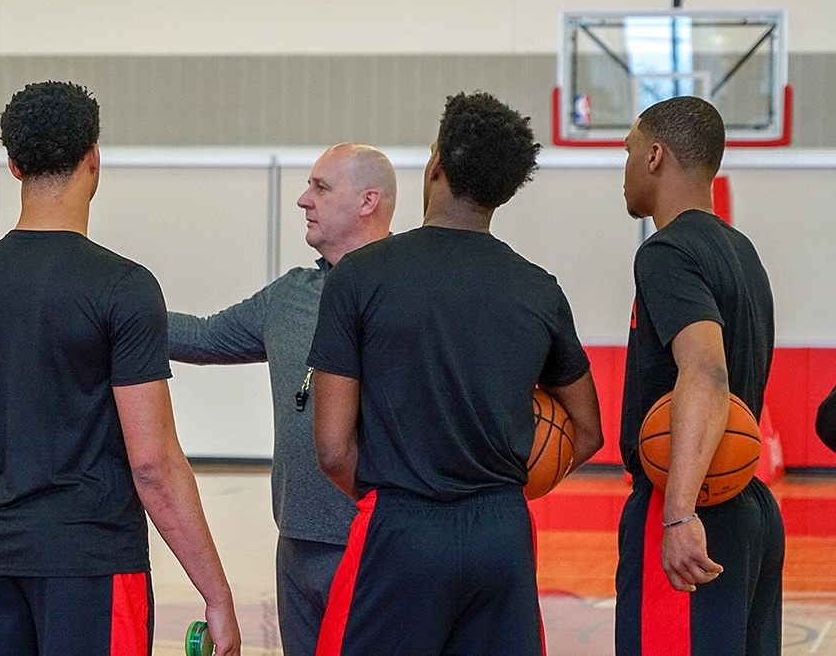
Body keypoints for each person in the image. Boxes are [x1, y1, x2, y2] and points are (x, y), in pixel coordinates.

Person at [0, 81, 240, 655]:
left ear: (14, 165)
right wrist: (217, 593)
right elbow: (152, 463)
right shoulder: (123, 289)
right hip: (92, 561)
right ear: (94, 158)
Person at [308, 91, 603, 654]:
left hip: (401, 524)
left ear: (436, 164)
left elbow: (331, 448)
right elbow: (587, 431)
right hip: (502, 534)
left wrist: (406, 503)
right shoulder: (538, 288)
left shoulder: (361, 277)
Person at [168, 143, 395, 655]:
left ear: (367, 201)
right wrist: (112, 309)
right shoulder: (290, 294)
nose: (302, 200)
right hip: (295, 541)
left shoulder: (407, 290)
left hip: (376, 543)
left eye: (320, 187)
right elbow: (204, 337)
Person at [614, 96, 782, 655]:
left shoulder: (666, 251)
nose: (627, 164)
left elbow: (706, 372)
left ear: (656, 156)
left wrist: (678, 511)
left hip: (693, 507)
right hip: (751, 511)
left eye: (630, 149)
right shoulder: (744, 252)